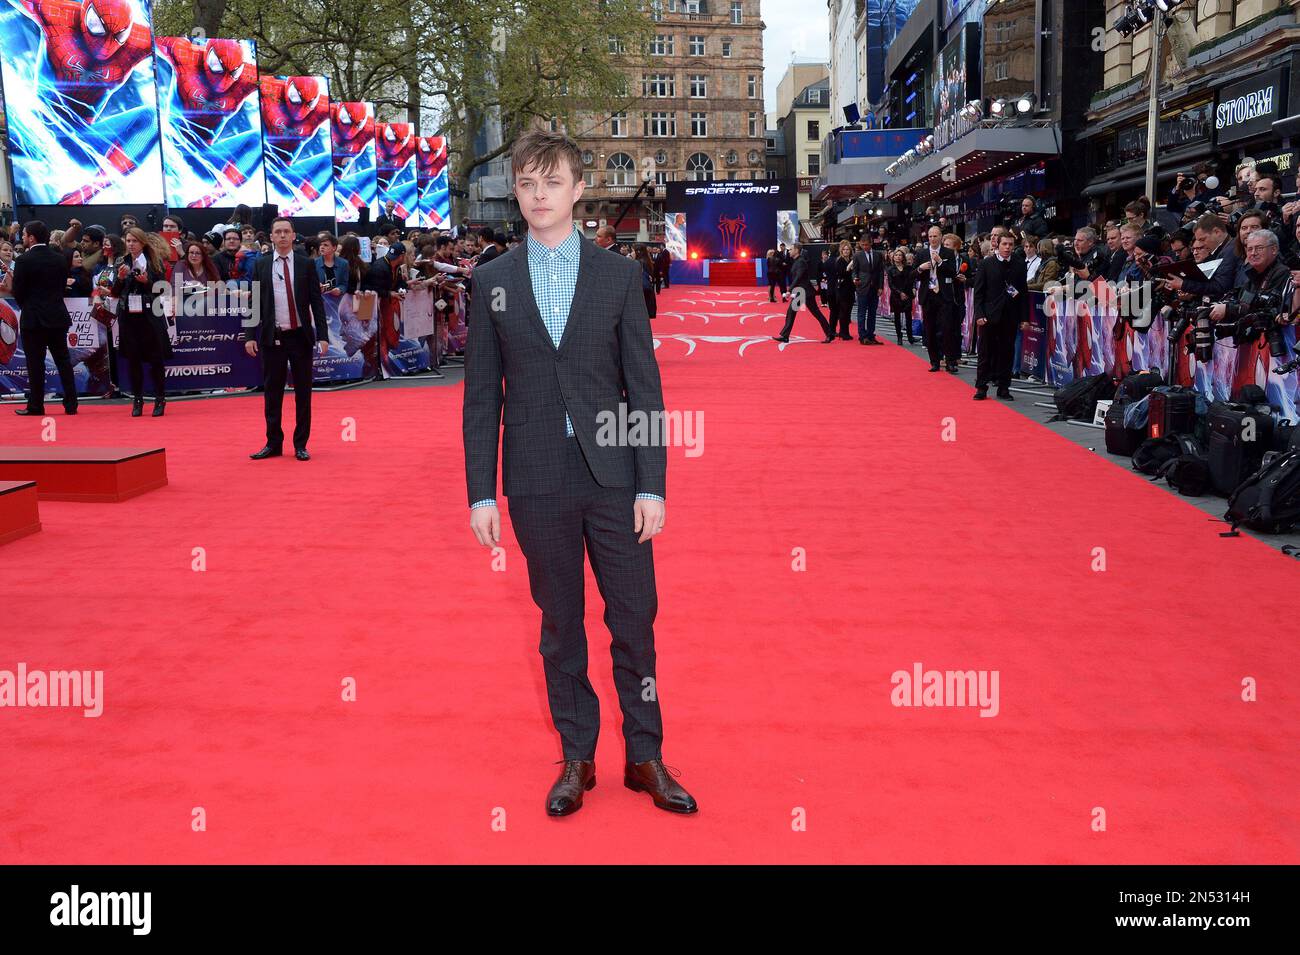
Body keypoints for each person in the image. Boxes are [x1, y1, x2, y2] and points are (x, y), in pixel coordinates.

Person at [462, 130, 694, 817]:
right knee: (560, 624)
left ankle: (645, 755)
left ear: (577, 188)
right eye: (527, 184)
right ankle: (577, 756)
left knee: (634, 619)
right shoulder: (492, 281)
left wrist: (652, 483)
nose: (539, 195)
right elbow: (481, 396)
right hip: (535, 478)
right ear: (517, 191)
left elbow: (644, 388)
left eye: (552, 182)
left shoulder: (620, 276)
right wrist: (481, 490)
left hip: (615, 475)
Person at [246, 216, 328, 461]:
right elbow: (254, 301)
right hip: (273, 337)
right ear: (271, 237)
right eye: (277, 232)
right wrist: (250, 335)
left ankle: (300, 444)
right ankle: (273, 442)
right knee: (272, 392)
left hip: (300, 337)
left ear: (293, 236)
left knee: (304, 391)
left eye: (286, 232)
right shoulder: (260, 265)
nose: (282, 236)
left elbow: (317, 302)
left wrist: (322, 336)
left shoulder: (306, 264)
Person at [11, 220, 77, 416]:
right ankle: (71, 404)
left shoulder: (24, 260)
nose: (22, 238)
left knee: (35, 363)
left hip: (33, 319)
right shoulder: (59, 259)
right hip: (57, 315)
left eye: (23, 234)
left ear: (31, 237)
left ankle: (36, 405)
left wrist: (28, 306)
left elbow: (18, 291)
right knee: (63, 360)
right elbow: (61, 286)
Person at [114, 228, 171, 416]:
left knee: (156, 360)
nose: (130, 244)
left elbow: (162, 289)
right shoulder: (121, 262)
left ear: (143, 242)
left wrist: (147, 282)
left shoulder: (155, 263)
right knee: (133, 361)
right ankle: (137, 399)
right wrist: (121, 279)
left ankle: (160, 398)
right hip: (129, 317)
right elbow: (115, 291)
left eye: (134, 241)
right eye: (128, 240)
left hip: (150, 317)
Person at [972, 232, 1028, 401]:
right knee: (985, 352)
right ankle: (981, 387)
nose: (1008, 248)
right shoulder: (986, 264)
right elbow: (979, 292)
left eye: (1011, 245)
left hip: (1010, 316)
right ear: (997, 244)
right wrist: (979, 314)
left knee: (1007, 352)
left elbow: (1023, 293)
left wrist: (1024, 318)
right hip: (989, 316)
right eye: (1005, 244)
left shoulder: (1019, 264)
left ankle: (1004, 387)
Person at [917, 225, 960, 373]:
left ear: (941, 237)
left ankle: (951, 361)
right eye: (930, 236)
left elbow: (952, 273)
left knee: (947, 329)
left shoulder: (948, 252)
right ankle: (934, 361)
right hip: (928, 296)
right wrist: (920, 268)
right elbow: (914, 275)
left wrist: (941, 262)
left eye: (935, 236)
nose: (933, 239)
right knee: (930, 330)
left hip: (944, 296)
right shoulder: (921, 253)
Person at [772, 243, 832, 343]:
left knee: (814, 313)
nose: (789, 251)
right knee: (792, 312)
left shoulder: (801, 262)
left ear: (796, 250)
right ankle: (785, 336)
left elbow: (798, 277)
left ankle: (830, 333)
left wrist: (789, 290)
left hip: (804, 291)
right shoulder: (796, 261)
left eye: (791, 249)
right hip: (801, 291)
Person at [850, 236, 885, 345]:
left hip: (874, 288)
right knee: (861, 313)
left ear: (871, 244)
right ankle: (862, 336)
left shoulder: (878, 255)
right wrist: (855, 279)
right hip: (862, 287)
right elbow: (854, 271)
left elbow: (880, 272)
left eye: (866, 245)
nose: (864, 247)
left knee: (872, 313)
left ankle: (871, 335)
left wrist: (880, 287)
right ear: (860, 244)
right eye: (862, 245)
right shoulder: (857, 256)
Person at [885, 247, 916, 344]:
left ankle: (910, 337)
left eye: (900, 255)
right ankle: (899, 336)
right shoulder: (890, 269)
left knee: (908, 317)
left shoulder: (909, 268)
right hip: (896, 296)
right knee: (897, 318)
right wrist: (900, 293)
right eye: (896, 255)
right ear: (893, 257)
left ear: (903, 257)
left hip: (907, 295)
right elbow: (891, 284)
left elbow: (912, 280)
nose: (898, 257)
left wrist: (912, 289)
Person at [827, 240, 856, 341]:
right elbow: (841, 274)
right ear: (841, 251)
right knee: (843, 311)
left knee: (848, 312)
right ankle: (844, 333)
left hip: (851, 289)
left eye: (848, 249)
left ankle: (844, 331)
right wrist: (848, 268)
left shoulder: (852, 260)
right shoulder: (839, 261)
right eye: (844, 249)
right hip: (842, 289)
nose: (846, 251)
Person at [636, 244, 657, 318]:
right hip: (648, 287)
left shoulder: (639, 262)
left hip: (642, 288)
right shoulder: (647, 259)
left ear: (638, 251)